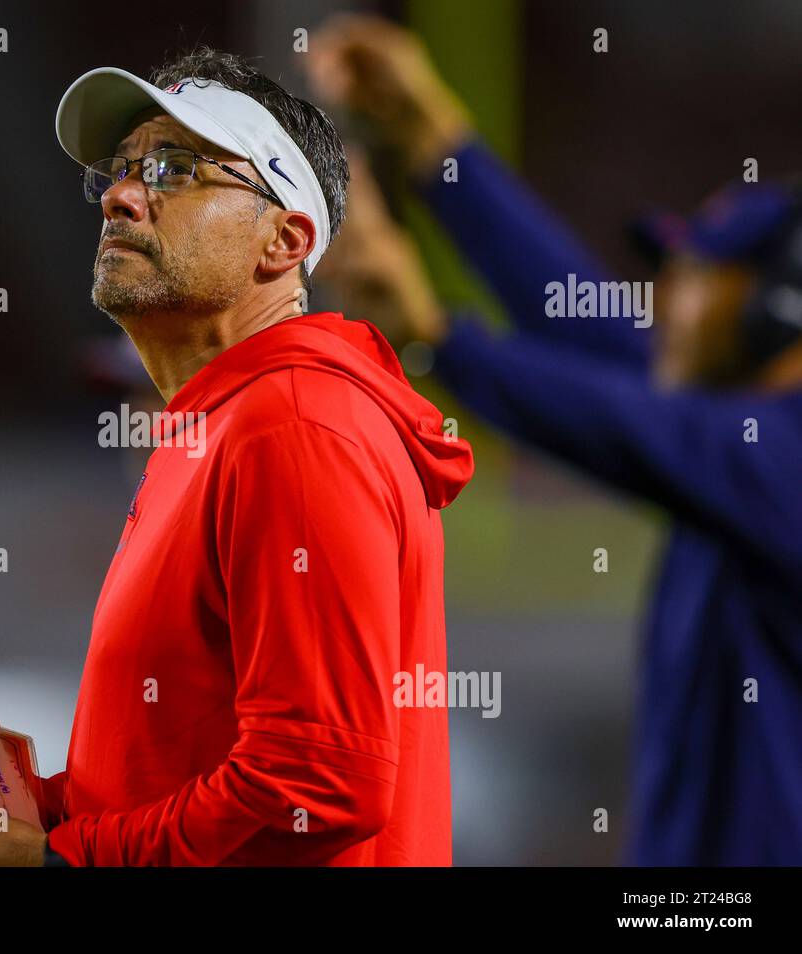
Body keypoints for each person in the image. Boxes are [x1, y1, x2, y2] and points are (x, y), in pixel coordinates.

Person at [0, 47, 474, 866]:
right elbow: (175, 779)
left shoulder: (295, 426)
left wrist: (58, 861)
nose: (118, 194)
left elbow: (316, 783)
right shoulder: (226, 425)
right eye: (116, 173)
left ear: (283, 240)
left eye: (174, 169)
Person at [306, 14, 802, 865]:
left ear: (776, 310)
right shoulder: (730, 438)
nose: (665, 292)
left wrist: (434, 334)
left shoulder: (773, 457)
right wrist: (437, 146)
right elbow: (588, 332)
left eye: (697, 272)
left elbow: (612, 417)